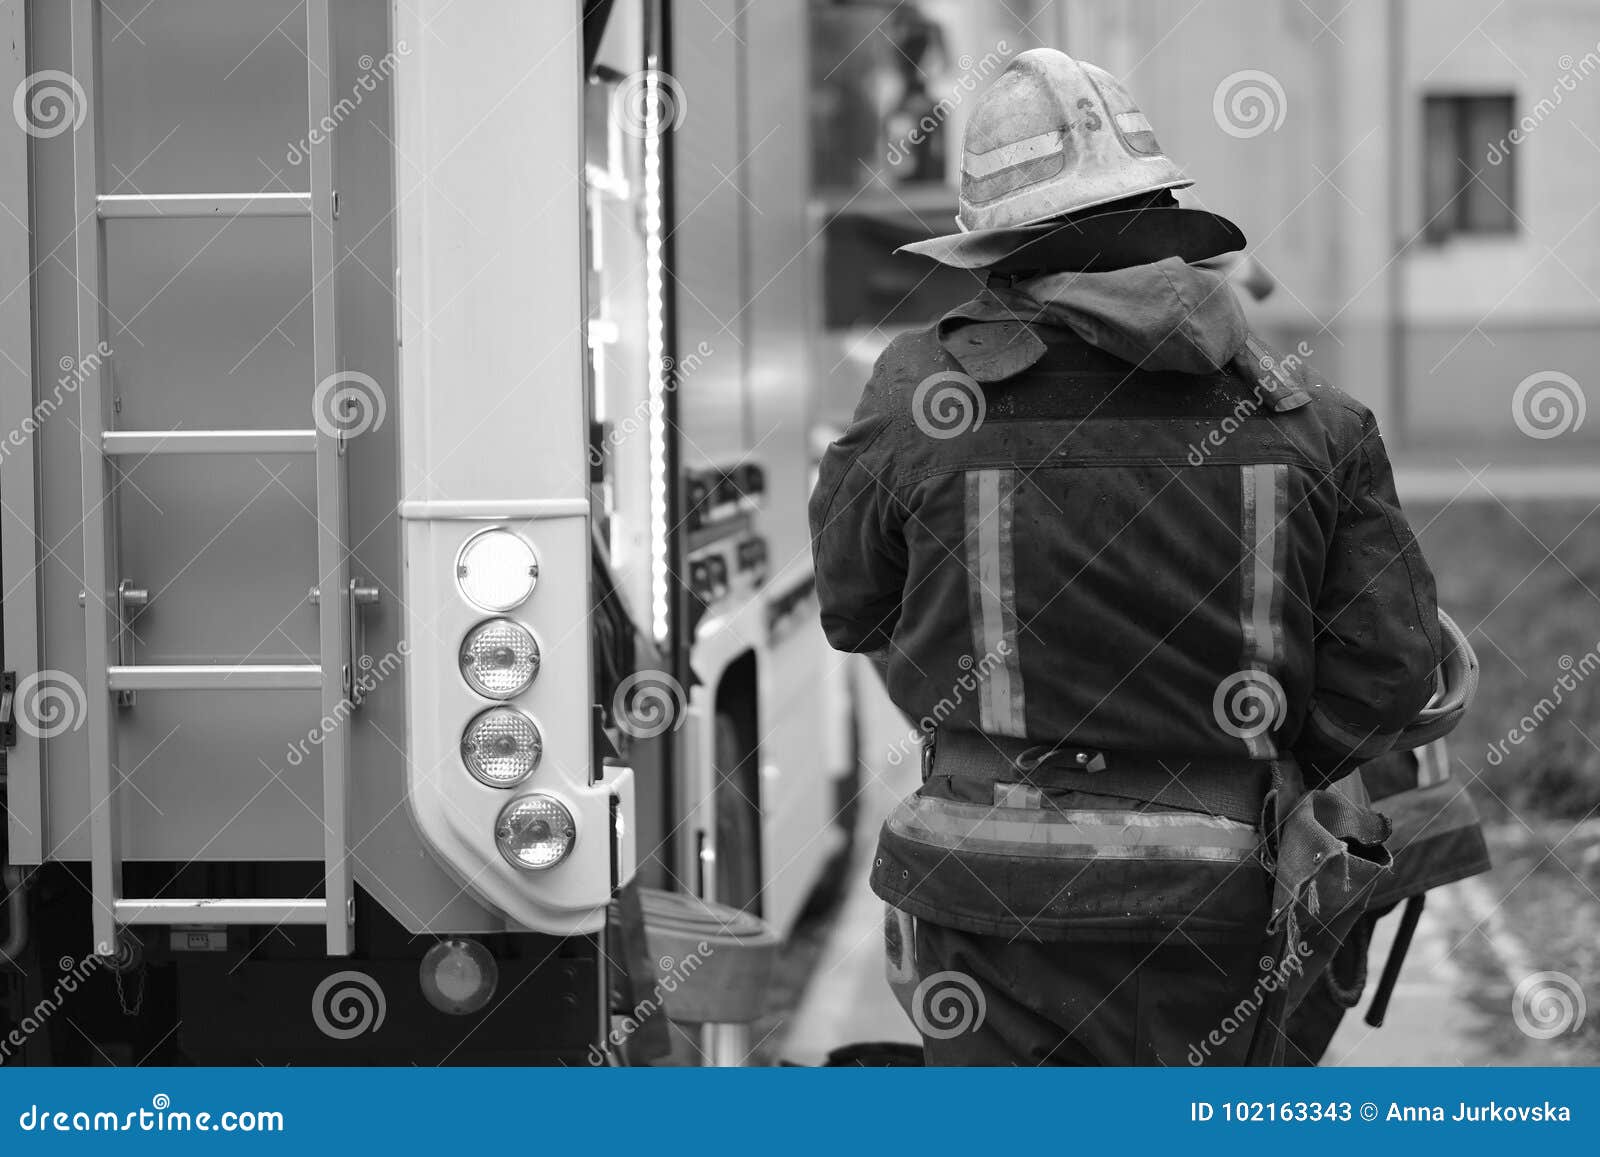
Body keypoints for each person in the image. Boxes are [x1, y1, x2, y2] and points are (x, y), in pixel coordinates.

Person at [809, 49, 1446, 1065]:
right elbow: (1394, 666)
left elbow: (852, 607)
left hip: (979, 898)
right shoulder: (1314, 421)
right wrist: (1264, 770)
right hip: (1222, 905)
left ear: (1001, 251)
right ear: (1161, 221)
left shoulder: (917, 395)